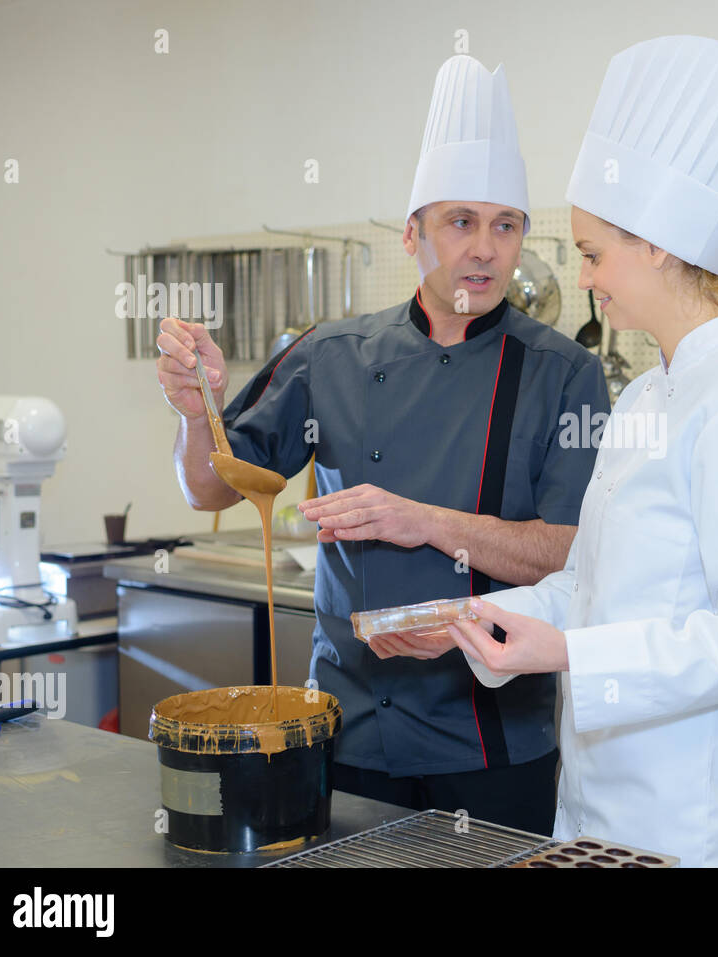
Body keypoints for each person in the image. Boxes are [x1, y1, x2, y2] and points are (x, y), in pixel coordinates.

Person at [370, 35, 718, 866]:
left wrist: (569, 651)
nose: (583, 279)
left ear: (656, 242)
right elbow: (591, 583)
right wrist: (486, 621)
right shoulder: (651, 394)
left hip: (693, 819)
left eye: (592, 253)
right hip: (598, 808)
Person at [154, 54, 608, 835]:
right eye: (461, 221)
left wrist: (422, 519)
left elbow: (570, 554)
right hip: (348, 729)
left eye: (506, 226)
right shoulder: (329, 355)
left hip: (494, 745)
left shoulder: (566, 374)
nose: (485, 249)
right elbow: (211, 487)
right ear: (411, 233)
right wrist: (200, 412)